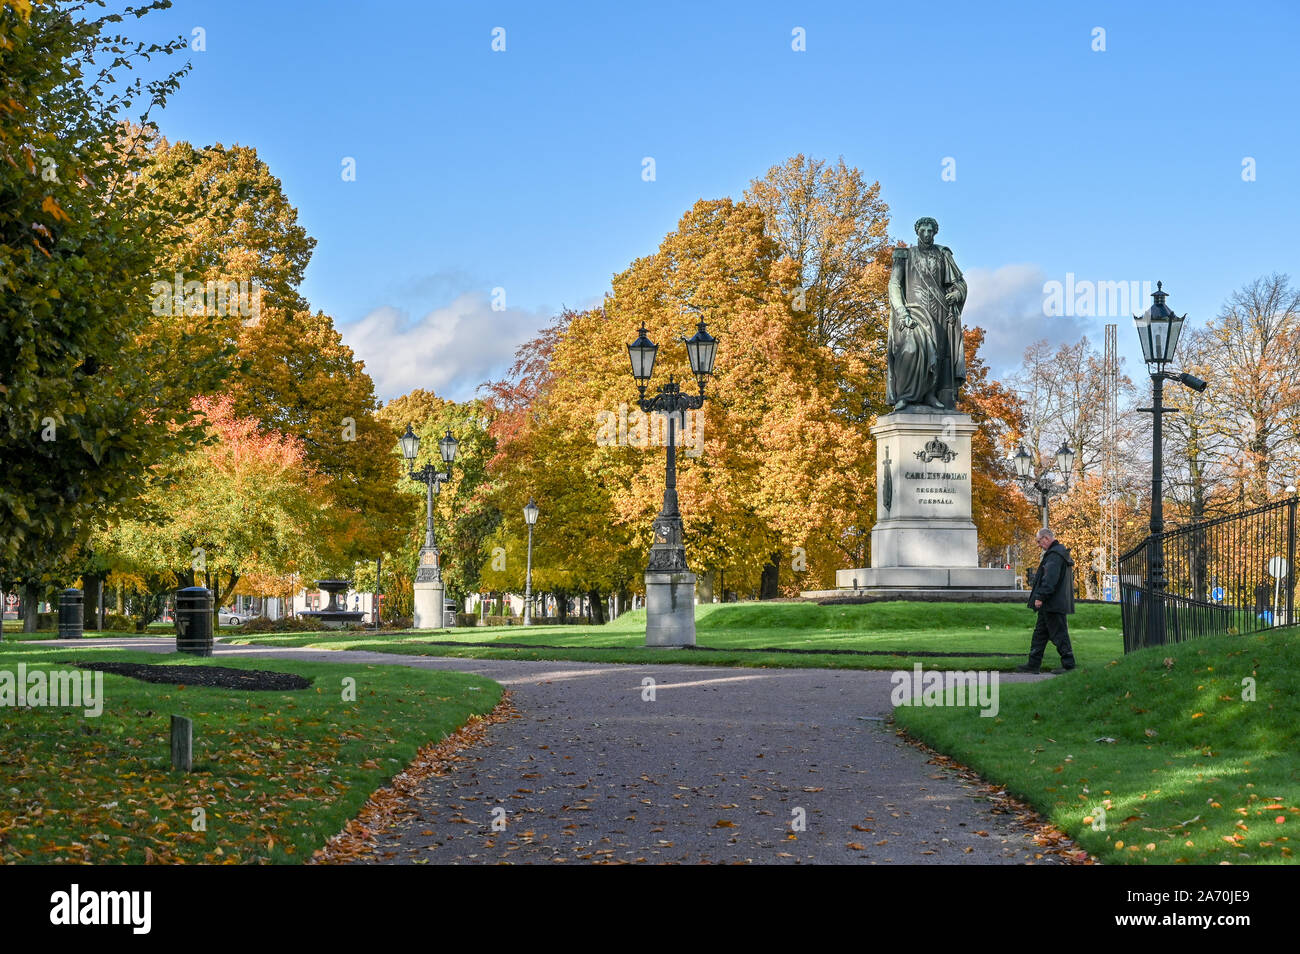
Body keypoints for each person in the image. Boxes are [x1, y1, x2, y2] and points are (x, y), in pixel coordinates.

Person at [886, 216, 968, 411]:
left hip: (939, 310)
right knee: (911, 349)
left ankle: (930, 394)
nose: (927, 234)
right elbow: (894, 285)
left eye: (931, 231)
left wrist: (957, 294)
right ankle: (906, 395)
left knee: (938, 354)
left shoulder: (943, 254)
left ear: (935, 233)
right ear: (917, 231)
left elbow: (960, 283)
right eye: (924, 230)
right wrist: (902, 312)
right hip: (913, 312)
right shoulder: (904, 255)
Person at [1017, 528, 1077, 673]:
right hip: (1053, 603)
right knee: (1040, 634)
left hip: (1052, 603)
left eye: (1039, 541)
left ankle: (1068, 665)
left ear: (1046, 538)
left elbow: (1050, 579)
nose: (1039, 545)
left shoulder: (1054, 556)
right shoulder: (1057, 553)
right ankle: (1033, 664)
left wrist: (1040, 597)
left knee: (1059, 634)